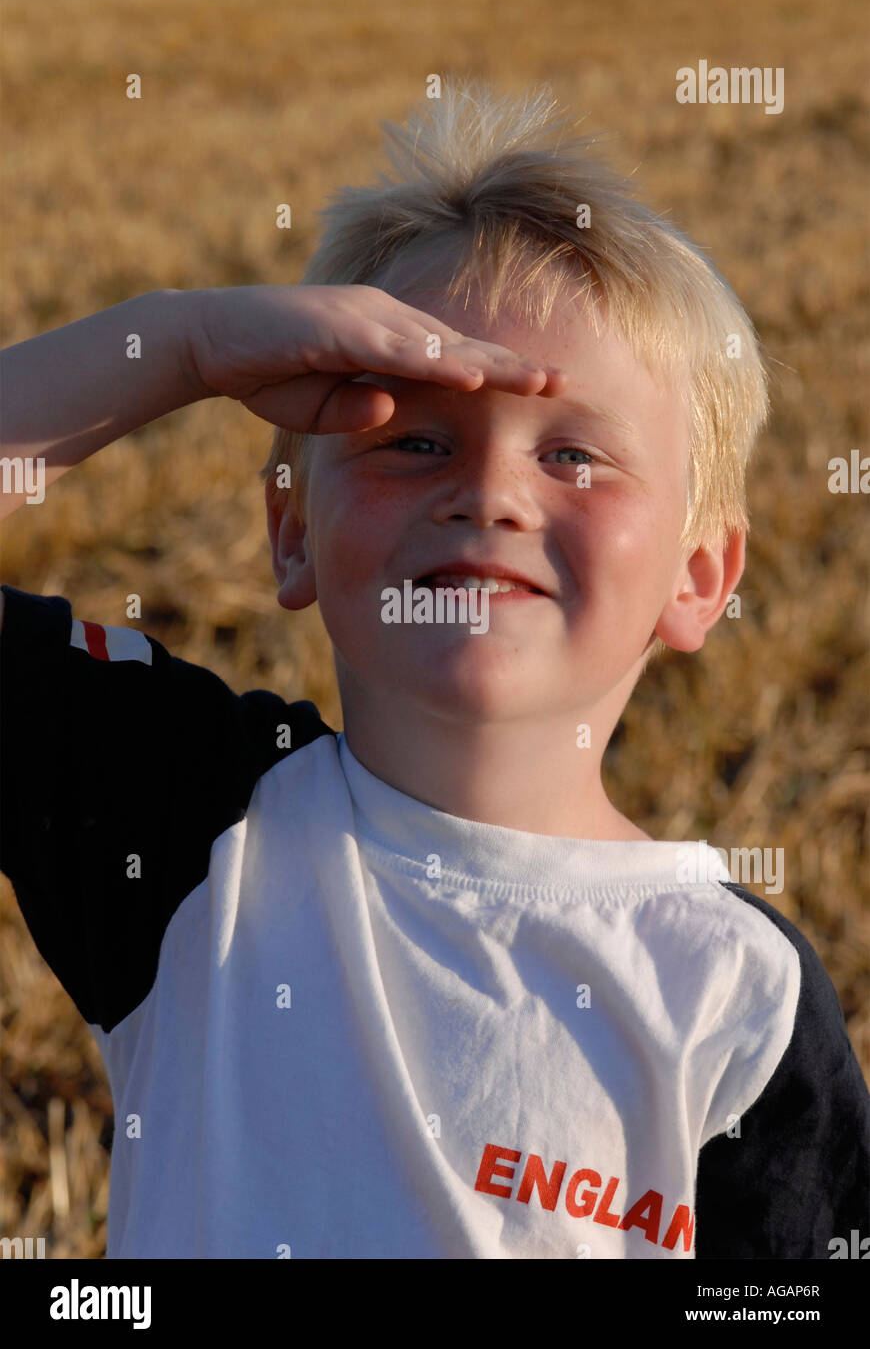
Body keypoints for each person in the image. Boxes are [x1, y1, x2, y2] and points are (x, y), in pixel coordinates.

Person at [1, 81, 867, 1259]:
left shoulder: (737, 1001)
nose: (490, 493)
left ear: (700, 577)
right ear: (291, 528)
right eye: (413, 440)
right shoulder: (196, 824)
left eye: (574, 454)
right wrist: (187, 342)